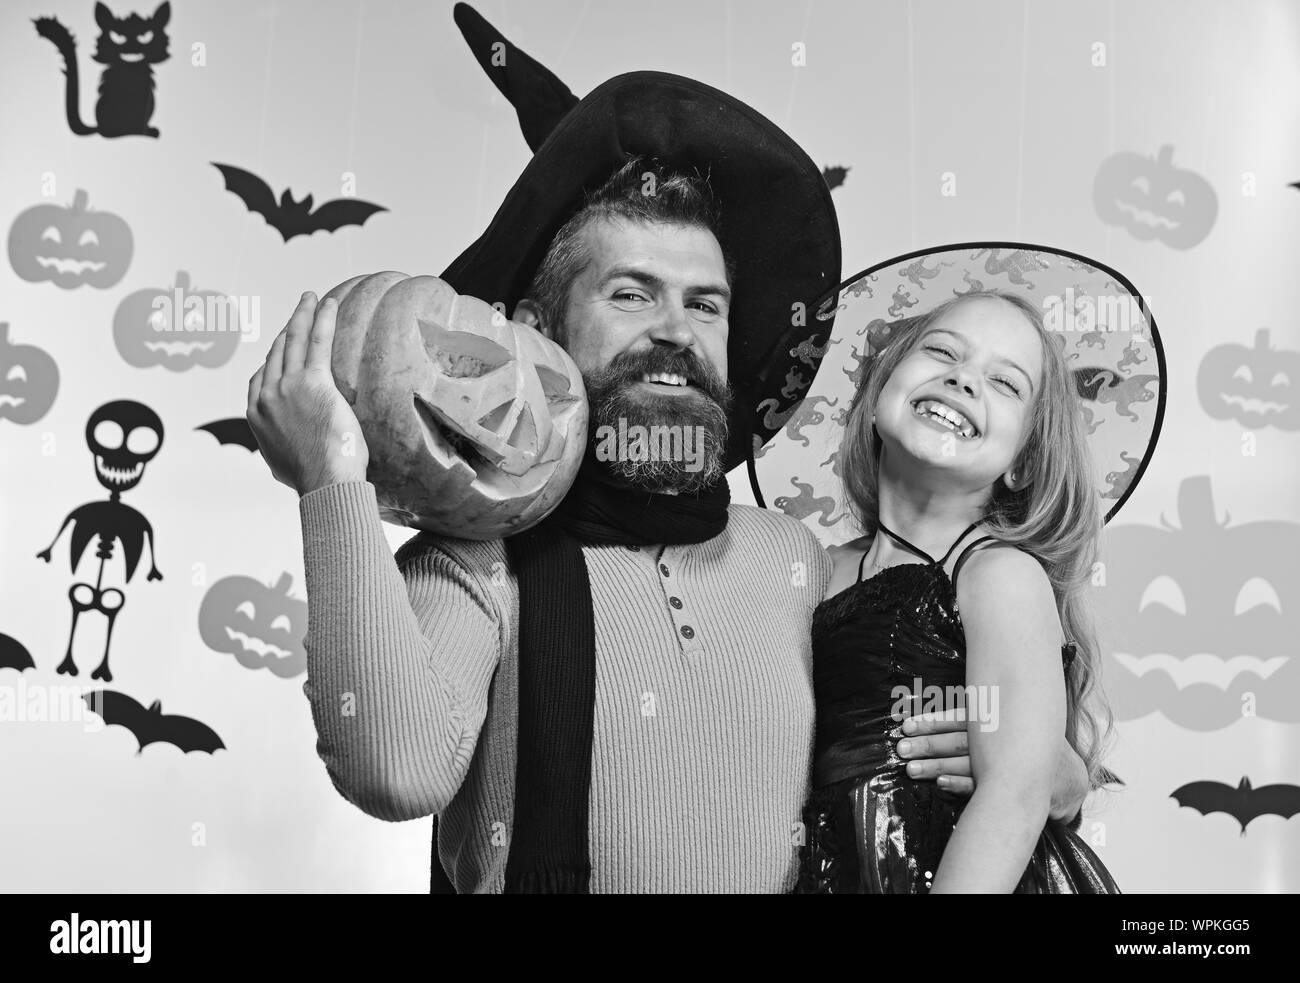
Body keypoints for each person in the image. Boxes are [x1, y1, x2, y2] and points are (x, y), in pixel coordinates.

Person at [246, 11, 1091, 893]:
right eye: (630, 292)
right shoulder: (478, 556)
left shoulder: (795, 560)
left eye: (707, 304)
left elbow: (892, 742)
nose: (675, 331)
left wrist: (1049, 773)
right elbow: (394, 767)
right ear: (536, 332)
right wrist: (333, 485)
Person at [795, 290, 1121, 893]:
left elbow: (1015, 797)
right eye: (941, 351)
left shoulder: (997, 573)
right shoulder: (809, 570)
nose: (963, 380)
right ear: (875, 398)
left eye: (1005, 383)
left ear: (1023, 462)